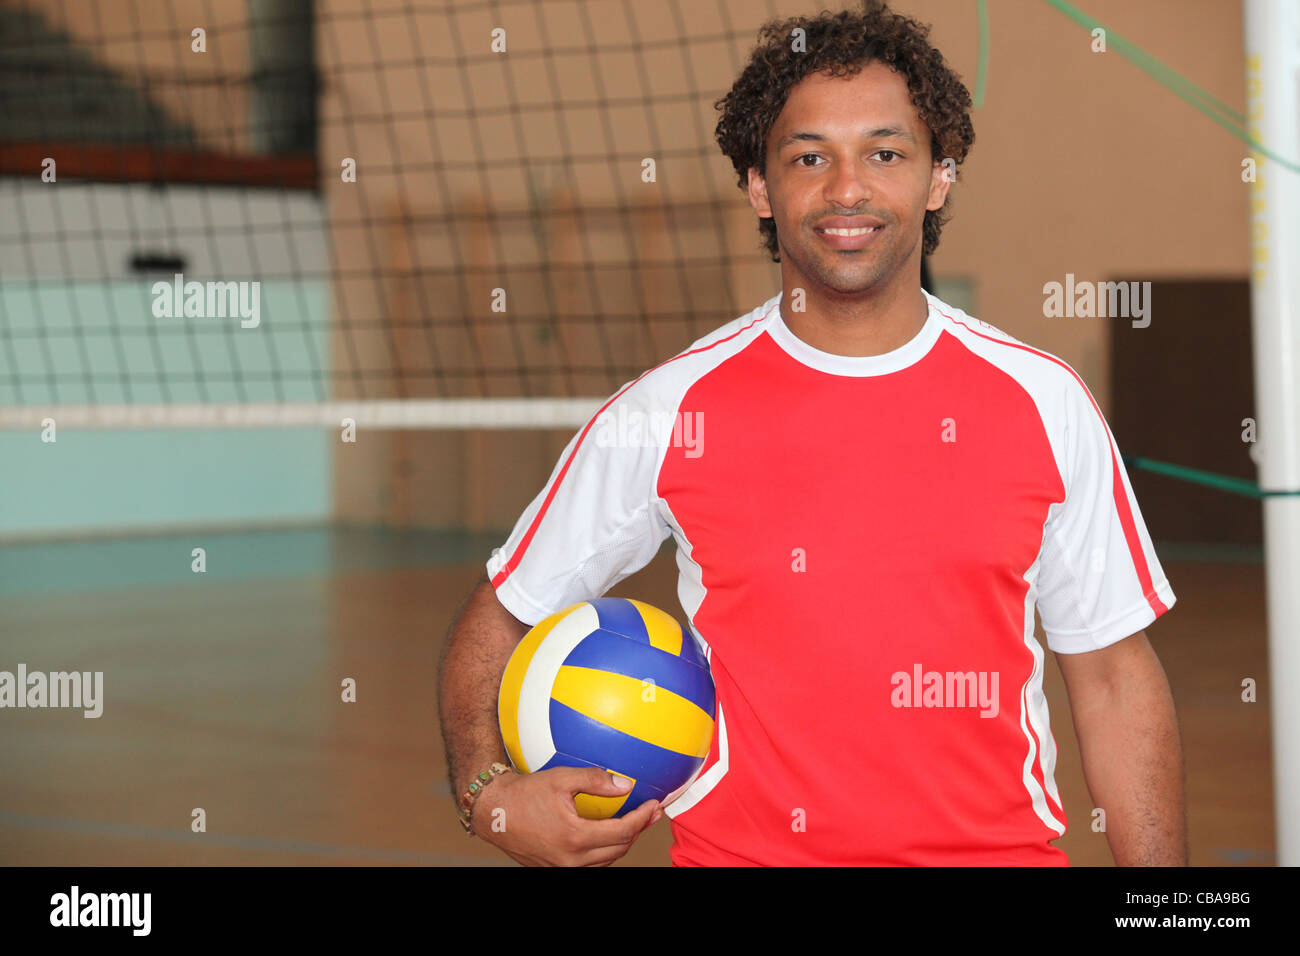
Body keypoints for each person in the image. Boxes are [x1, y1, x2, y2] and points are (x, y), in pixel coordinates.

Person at [438, 0, 1185, 866]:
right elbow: (498, 617)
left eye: (885, 152)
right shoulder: (669, 409)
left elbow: (1115, 682)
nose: (847, 190)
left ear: (939, 176)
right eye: (807, 158)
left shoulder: (1043, 401)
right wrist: (488, 800)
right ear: (760, 186)